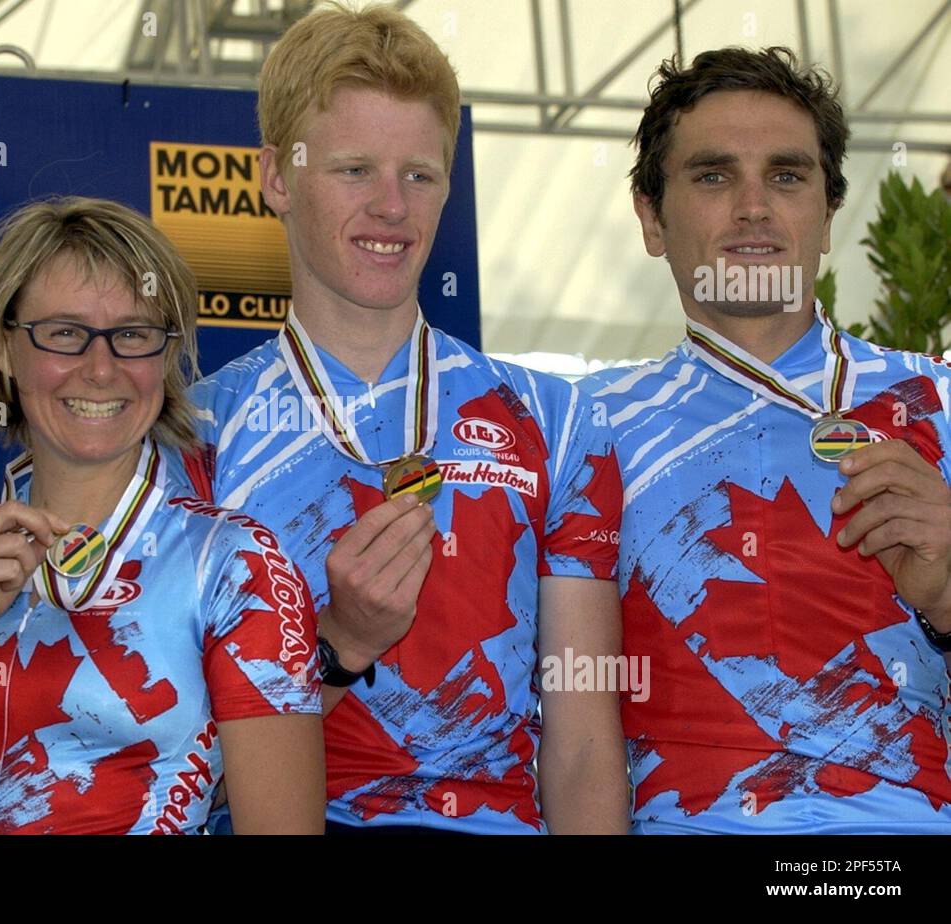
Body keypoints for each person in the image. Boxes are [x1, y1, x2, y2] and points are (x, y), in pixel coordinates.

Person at [188, 3, 628, 834]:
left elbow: (581, 745)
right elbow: (174, 759)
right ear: (277, 176)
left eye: (419, 175)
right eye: (355, 170)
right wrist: (332, 646)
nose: (393, 207)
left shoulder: (557, 419)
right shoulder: (195, 433)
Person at [0, 197, 326, 835]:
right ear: (0, 346)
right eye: (65, 334)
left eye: (133, 335)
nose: (101, 370)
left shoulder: (238, 567)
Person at [579, 47, 951, 833]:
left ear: (826, 215)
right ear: (652, 218)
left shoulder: (941, 403)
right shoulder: (580, 425)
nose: (754, 207)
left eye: (787, 176)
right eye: (713, 176)